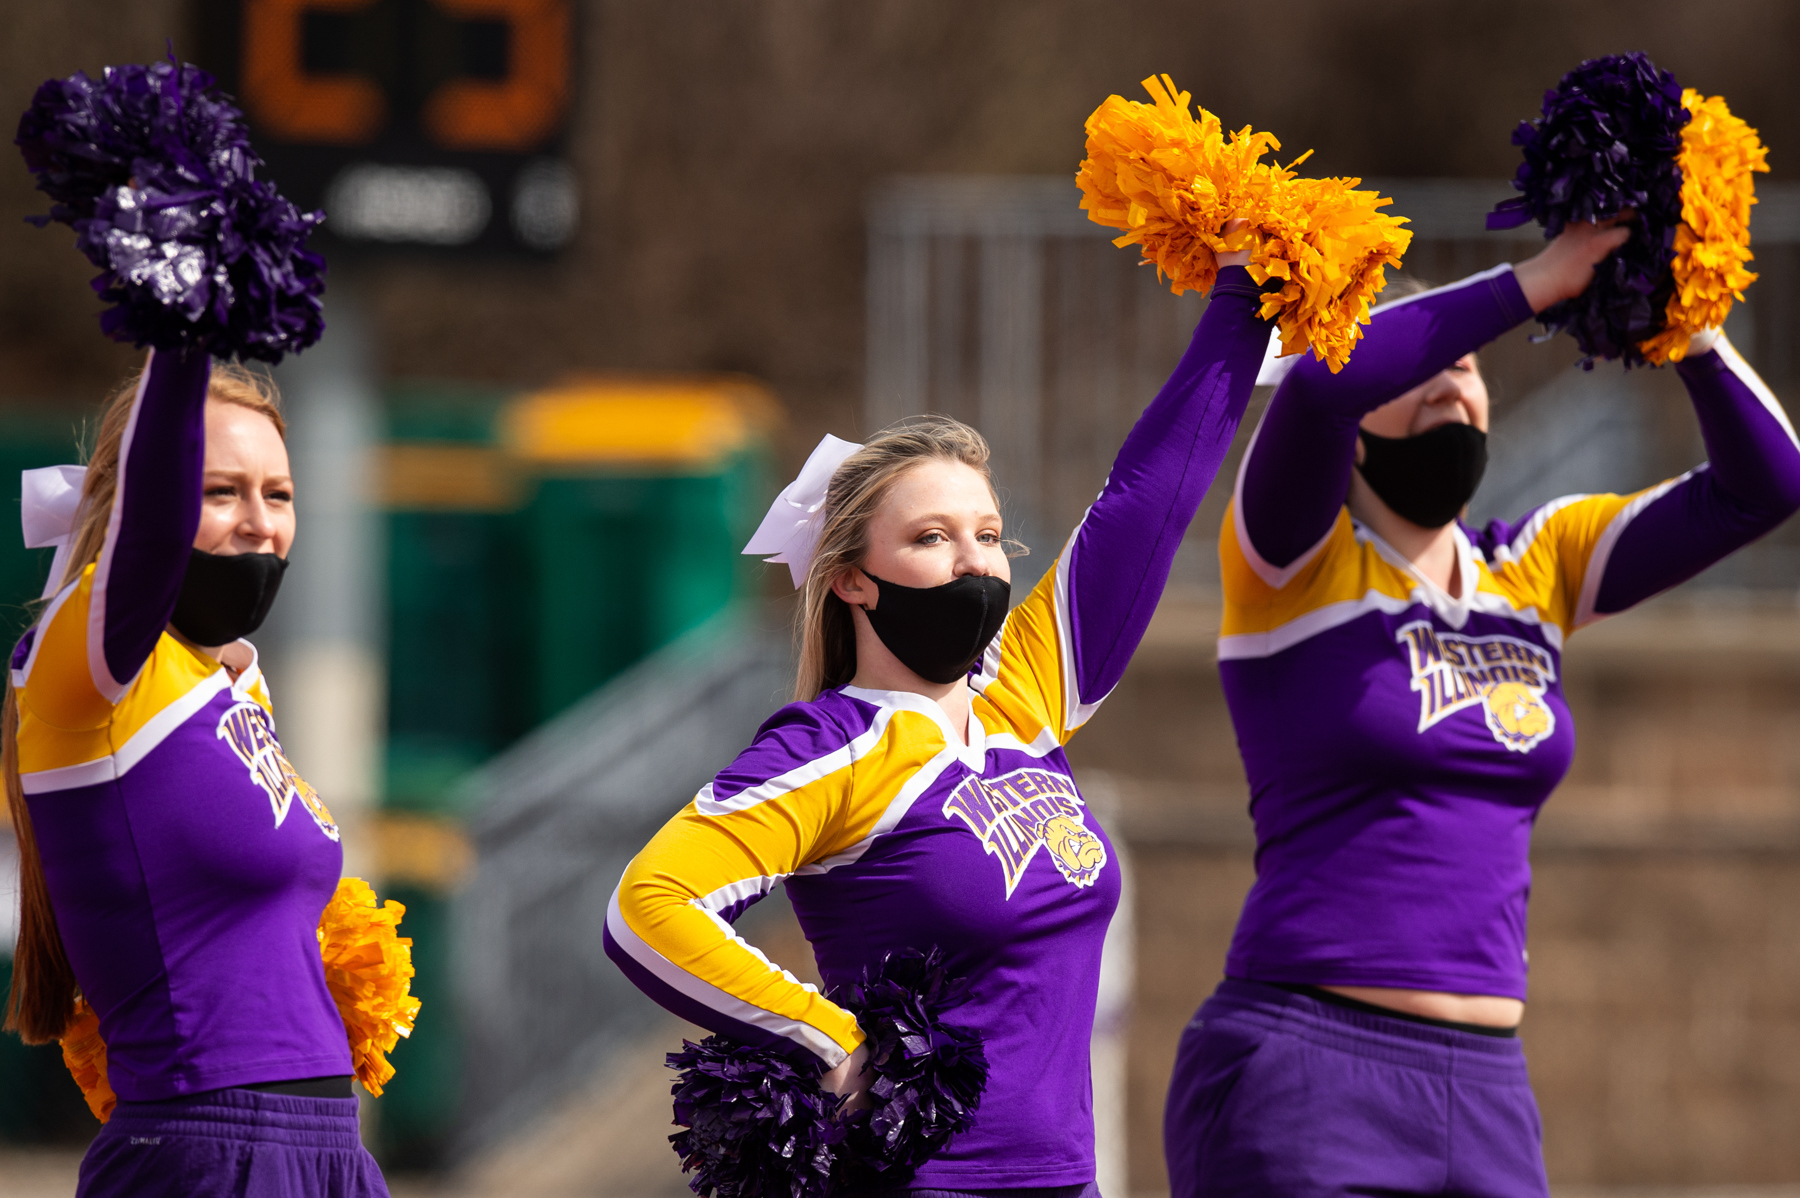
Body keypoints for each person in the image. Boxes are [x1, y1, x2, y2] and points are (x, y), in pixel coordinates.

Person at [605, 232, 1272, 1192]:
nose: (974, 560)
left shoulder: (1026, 699)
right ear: (852, 580)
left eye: (989, 535)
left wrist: (1244, 295)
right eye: (931, 537)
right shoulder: (833, 747)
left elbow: (1149, 502)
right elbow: (649, 907)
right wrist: (825, 1039)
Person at [1164, 217, 1800, 1195]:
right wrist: (1541, 278)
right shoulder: (1290, 560)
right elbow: (1323, 383)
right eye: (1421, 364)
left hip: (1490, 1089)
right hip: (1307, 1067)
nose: (1450, 380)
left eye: (1467, 367)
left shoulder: (1537, 565)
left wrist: (1688, 318)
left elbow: (1766, 485)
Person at [3, 348, 389, 1197]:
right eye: (220, 492)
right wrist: (182, 331)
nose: (259, 522)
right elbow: (146, 535)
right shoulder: (90, 672)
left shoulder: (228, 683)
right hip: (209, 1153)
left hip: (326, 1152)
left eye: (278, 494)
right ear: (142, 501)